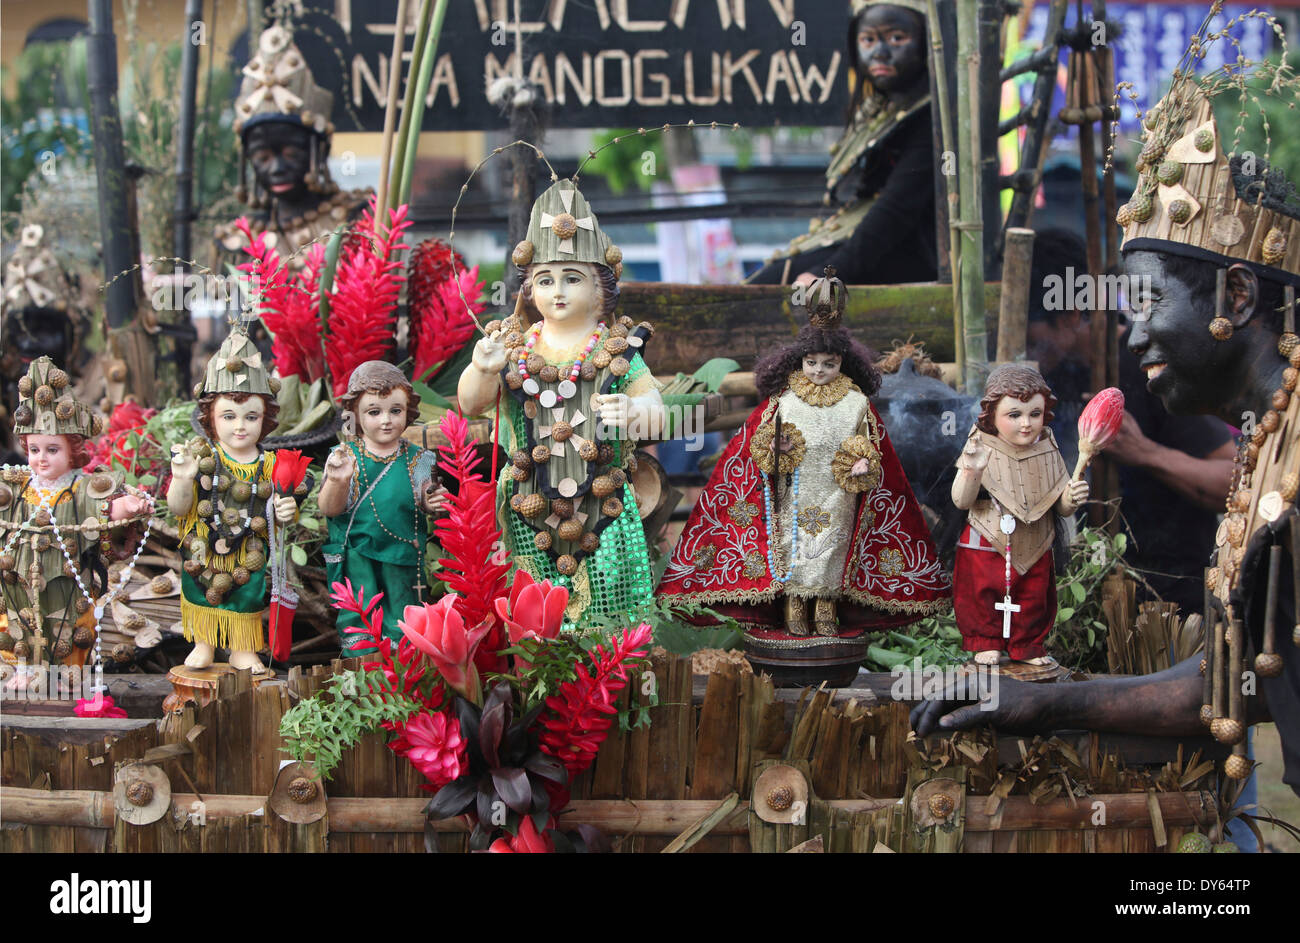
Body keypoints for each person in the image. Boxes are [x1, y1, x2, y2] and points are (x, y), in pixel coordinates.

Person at [913, 69, 1300, 799]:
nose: (1133, 328)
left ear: (1238, 295)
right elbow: (1221, 683)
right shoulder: (1275, 441)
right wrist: (1044, 698)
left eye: (1149, 300)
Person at [659, 268, 950, 635]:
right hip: (792, 493)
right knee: (794, 550)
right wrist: (774, 450)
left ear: (843, 363)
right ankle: (794, 606)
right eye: (811, 363)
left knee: (831, 552)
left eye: (828, 364)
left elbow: (873, 448)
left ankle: (825, 607)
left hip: (837, 493)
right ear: (799, 361)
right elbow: (755, 447)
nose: (818, 371)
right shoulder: (784, 401)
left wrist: (863, 462)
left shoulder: (856, 403)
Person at [457, 179, 663, 629]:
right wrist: (482, 368)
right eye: (544, 280)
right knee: (532, 609)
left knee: (608, 605)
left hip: (602, 506)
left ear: (602, 290)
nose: (558, 290)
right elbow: (472, 405)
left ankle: (607, 668)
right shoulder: (513, 349)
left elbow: (656, 410)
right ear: (529, 289)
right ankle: (540, 675)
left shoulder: (616, 350)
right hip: (527, 505)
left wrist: (634, 413)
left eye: (572, 278)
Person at [1025, 229, 1236, 616]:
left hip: (1173, 606)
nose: (1026, 347)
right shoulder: (1060, 378)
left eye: (1030, 331)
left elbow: (1231, 480)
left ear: (1070, 315)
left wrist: (1146, 453)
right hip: (1102, 600)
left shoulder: (1149, 368)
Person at [749, 0, 936, 287]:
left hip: (911, 256)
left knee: (774, 284)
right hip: (875, 246)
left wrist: (828, 271)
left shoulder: (929, 116)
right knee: (767, 279)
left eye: (897, 38)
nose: (880, 53)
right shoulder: (882, 109)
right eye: (868, 40)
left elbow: (894, 212)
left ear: (926, 43)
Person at [167, 331, 306, 673]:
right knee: (201, 587)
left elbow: (284, 512)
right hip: (204, 543)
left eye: (251, 416)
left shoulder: (271, 464)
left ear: (266, 418)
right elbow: (178, 508)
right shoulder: (201, 458)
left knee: (248, 592)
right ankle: (205, 642)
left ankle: (243, 647)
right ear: (210, 418)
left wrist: (286, 510)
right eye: (229, 416)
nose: (240, 427)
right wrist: (183, 479)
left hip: (249, 547)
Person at [0, 357, 146, 673]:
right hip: (21, 577)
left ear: (74, 451)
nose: (41, 459)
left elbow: (101, 506)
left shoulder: (79, 486)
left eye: (53, 450)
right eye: (34, 449)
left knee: (68, 628)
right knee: (23, 626)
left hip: (67, 579)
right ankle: (26, 672)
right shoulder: (17, 483)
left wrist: (127, 507)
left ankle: (67, 675)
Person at [951, 365, 1089, 669]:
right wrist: (973, 470)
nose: (1026, 424)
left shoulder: (1048, 447)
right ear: (992, 414)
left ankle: (1026, 643)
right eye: (1014, 415)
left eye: (1034, 414)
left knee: (1034, 593)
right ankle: (985, 640)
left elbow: (1060, 506)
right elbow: (961, 500)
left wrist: (1071, 498)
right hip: (986, 538)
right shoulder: (979, 444)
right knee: (981, 590)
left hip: (1036, 539)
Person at [212, 24, 370, 276]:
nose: (276, 169)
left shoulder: (356, 221)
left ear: (319, 150)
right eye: (263, 157)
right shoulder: (238, 241)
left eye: (290, 154)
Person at [319, 361, 446, 651]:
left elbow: (425, 494)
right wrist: (338, 481)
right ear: (356, 416)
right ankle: (364, 679)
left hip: (402, 556)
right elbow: (329, 509)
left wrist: (432, 499)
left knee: (403, 623)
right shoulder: (344, 456)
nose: (386, 420)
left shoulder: (419, 459)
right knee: (360, 624)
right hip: (358, 557)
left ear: (409, 412)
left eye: (395, 411)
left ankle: (405, 680)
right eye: (374, 412)